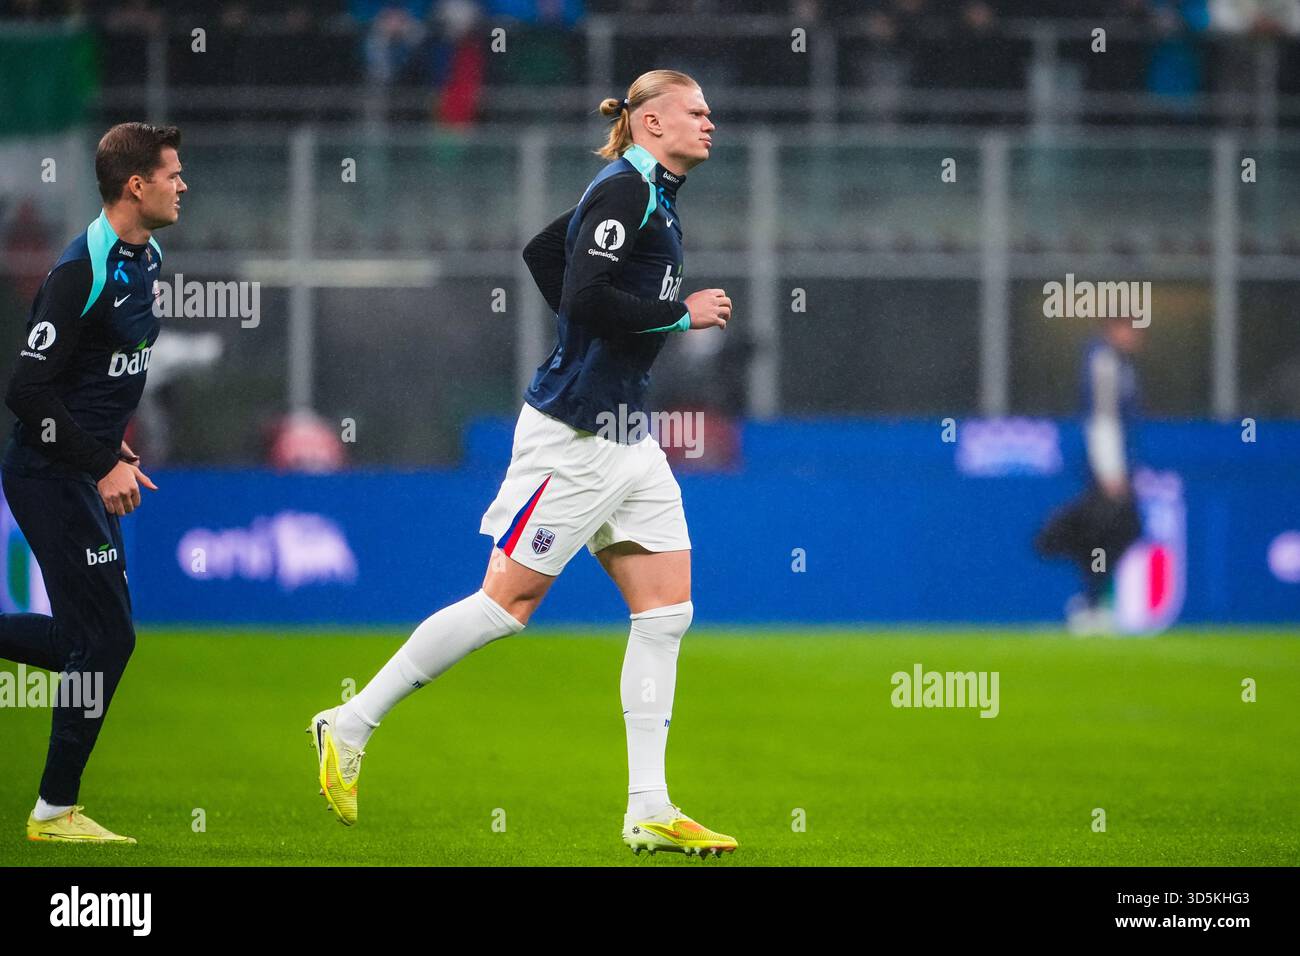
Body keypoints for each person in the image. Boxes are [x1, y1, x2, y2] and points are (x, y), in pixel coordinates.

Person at [309, 69, 738, 856]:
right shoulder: (627, 191)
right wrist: (679, 314)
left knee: (666, 612)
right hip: (574, 436)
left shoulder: (648, 192)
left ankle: (648, 805)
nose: (711, 123)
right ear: (651, 123)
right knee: (506, 607)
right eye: (696, 112)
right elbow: (583, 296)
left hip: (628, 438)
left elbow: (545, 251)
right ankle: (350, 720)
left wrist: (606, 342)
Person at [0, 122, 185, 843]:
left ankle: (56, 810)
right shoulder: (82, 269)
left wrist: (115, 450)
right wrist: (100, 459)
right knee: (108, 640)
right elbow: (27, 390)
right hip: (50, 475)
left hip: (82, 466)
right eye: (173, 174)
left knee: (91, 639)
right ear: (135, 186)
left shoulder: (149, 256)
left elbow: (100, 377)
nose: (183, 184)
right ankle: (53, 811)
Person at [1035, 315, 1144, 635]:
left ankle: (1092, 602)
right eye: (1132, 328)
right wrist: (1111, 470)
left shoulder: (1119, 363)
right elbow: (1102, 419)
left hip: (1114, 464)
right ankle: (1092, 604)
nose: (1137, 336)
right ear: (1115, 329)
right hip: (1105, 468)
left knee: (1109, 535)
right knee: (1107, 532)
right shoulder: (1104, 362)